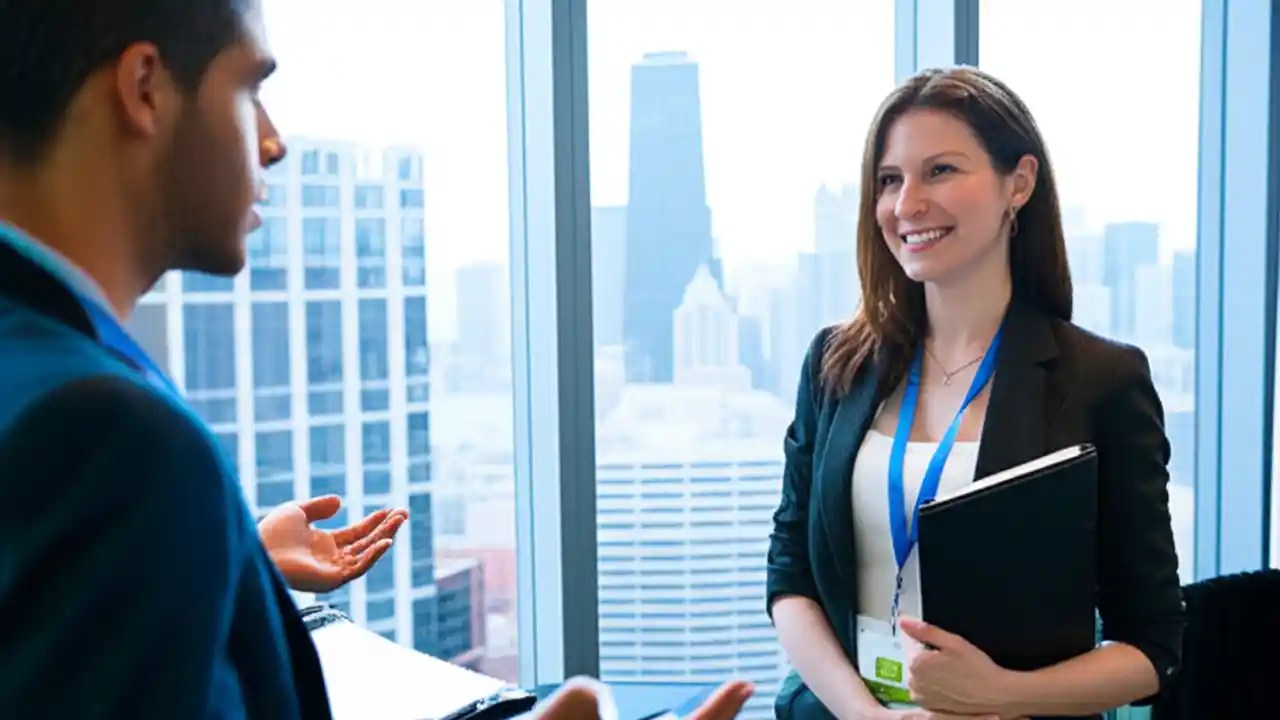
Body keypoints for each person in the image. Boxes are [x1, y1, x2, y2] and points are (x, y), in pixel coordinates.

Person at [0, 2, 754, 719]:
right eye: (249, 89)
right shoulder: (109, 438)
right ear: (144, 89)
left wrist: (230, 561)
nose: (272, 140)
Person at [766, 67, 1185, 720]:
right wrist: (865, 715)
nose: (907, 204)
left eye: (940, 171)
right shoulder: (835, 365)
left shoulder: (1101, 379)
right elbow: (791, 577)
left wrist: (1000, 695)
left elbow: (1152, 646)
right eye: (889, 179)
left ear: (1017, 183)